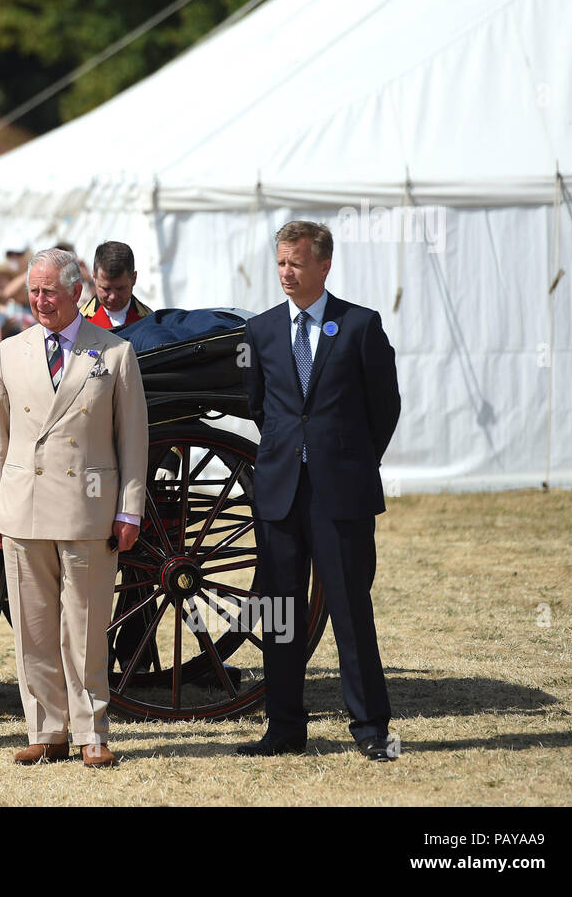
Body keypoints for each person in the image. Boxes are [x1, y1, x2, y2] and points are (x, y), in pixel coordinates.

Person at [238, 220, 401, 761]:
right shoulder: (260, 331)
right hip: (281, 493)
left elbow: (386, 407)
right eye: (281, 262)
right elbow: (260, 408)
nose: (286, 273)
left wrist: (351, 461)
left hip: (341, 494)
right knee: (281, 612)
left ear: (324, 265)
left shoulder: (360, 326)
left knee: (351, 610)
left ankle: (372, 728)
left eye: (297, 263)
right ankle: (284, 727)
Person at [0, 248, 148, 768]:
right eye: (33, 291)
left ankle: (91, 733)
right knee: (33, 627)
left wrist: (129, 511)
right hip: (23, 509)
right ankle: (45, 729)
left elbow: (133, 442)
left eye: (49, 291)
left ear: (77, 292)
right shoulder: (11, 351)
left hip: (88, 510)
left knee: (83, 628)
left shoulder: (116, 352)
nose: (39, 300)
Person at [80, 241, 152, 330]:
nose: (113, 296)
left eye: (120, 288)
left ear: (134, 279)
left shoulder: (150, 321)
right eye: (106, 288)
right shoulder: (79, 322)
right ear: (94, 278)